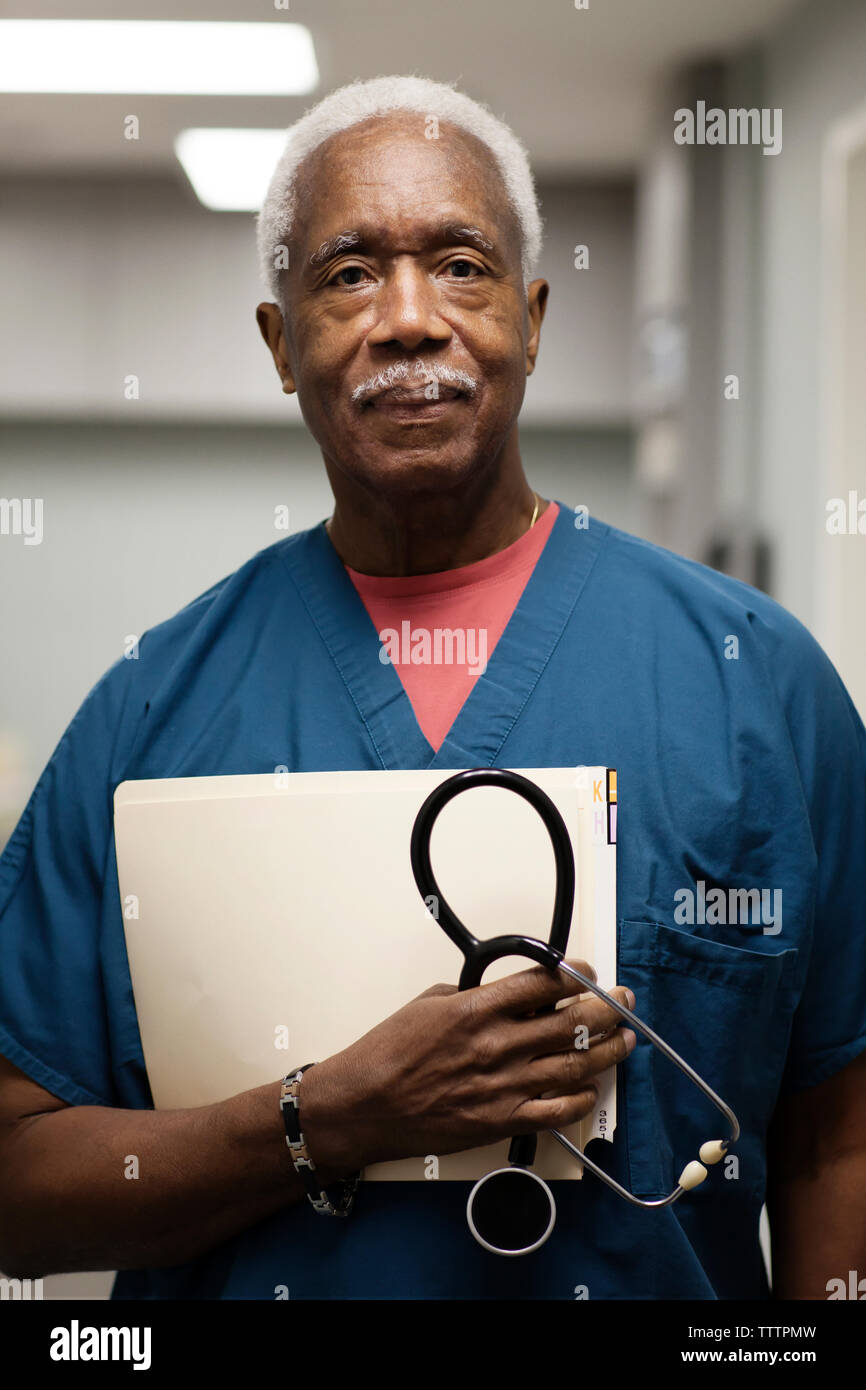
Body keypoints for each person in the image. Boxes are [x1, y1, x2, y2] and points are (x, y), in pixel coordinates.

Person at [0, 76, 864, 1302]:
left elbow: (841, 1131)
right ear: (278, 340)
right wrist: (325, 1121)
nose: (407, 317)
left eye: (459, 264)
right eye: (348, 273)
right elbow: (17, 1185)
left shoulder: (755, 687)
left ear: (531, 313)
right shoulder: (153, 713)